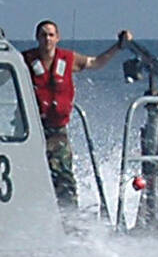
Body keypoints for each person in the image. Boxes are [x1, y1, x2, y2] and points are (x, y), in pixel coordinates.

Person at [24, 21, 132, 209]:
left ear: (58, 38)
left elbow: (96, 63)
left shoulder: (68, 59)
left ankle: (70, 216)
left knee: (63, 175)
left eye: (50, 35)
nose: (47, 39)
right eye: (43, 35)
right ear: (37, 38)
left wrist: (118, 47)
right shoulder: (25, 60)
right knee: (29, 171)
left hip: (57, 130)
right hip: (31, 129)